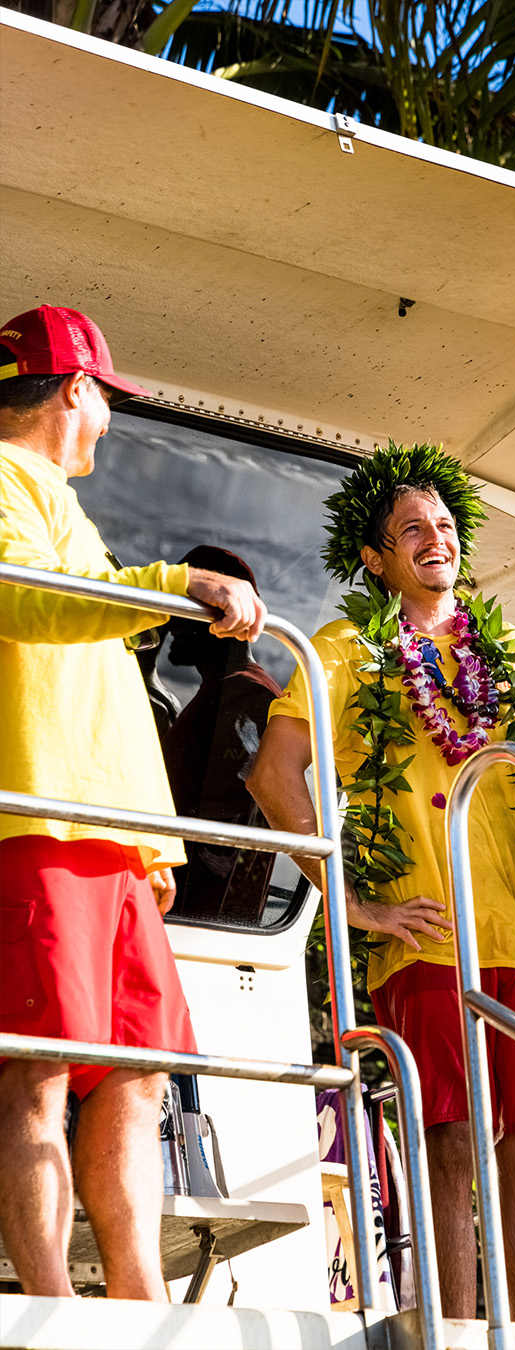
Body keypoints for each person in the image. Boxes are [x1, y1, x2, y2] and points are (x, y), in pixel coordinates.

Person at [243, 445, 515, 1323]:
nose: (435, 538)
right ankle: (454, 1334)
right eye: (411, 528)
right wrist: (351, 902)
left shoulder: (511, 651)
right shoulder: (345, 649)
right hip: (425, 938)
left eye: (445, 525)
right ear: (375, 559)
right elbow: (272, 775)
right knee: (450, 1140)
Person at [0, 304, 267, 1301]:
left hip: (107, 837)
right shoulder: (1, 476)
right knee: (38, 1065)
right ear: (77, 388)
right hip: (36, 818)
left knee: (141, 1068)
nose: (110, 423)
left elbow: (98, 690)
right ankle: (51, 1302)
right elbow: (21, 599)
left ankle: (136, 1297)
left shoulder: (61, 507)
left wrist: (152, 846)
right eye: (108, 400)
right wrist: (171, 584)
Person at [162, 546, 285, 926]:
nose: (171, 623)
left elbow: (220, 828)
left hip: (197, 916)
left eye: (184, 607)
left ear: (224, 614)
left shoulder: (245, 696)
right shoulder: (227, 690)